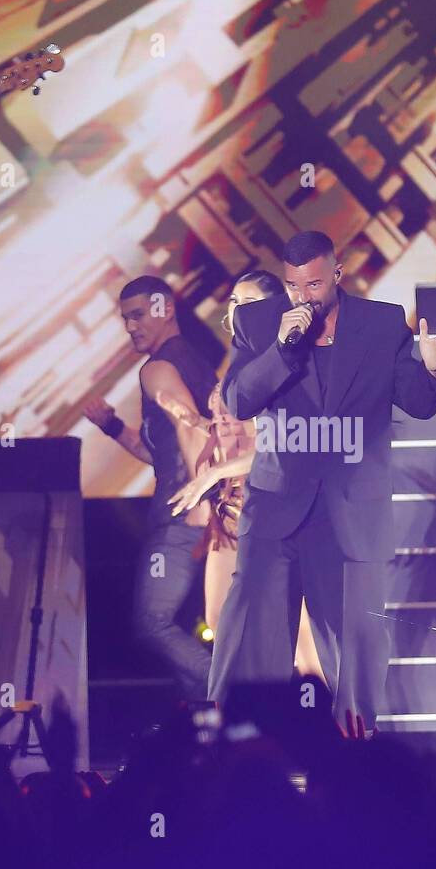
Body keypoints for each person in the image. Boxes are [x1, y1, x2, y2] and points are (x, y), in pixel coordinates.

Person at [206, 231, 436, 737]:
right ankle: (235, 754)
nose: (303, 297)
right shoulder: (257, 322)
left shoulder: (381, 324)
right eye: (294, 286)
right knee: (249, 638)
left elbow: (418, 403)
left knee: (354, 648)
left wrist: (430, 368)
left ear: (336, 276)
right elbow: (238, 400)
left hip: (349, 514)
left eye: (314, 285)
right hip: (275, 511)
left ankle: (354, 766)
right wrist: (280, 348)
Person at [166, 270, 324, 683]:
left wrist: (216, 471)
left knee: (303, 630)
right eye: (233, 300)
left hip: (275, 506)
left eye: (246, 301)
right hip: (232, 508)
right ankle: (261, 720)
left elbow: (282, 449)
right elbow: (233, 431)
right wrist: (202, 434)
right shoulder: (242, 361)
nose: (234, 309)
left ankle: (329, 730)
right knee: (221, 621)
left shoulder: (288, 364)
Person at [83, 276, 216, 700]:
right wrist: (112, 426)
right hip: (200, 514)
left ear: (165, 308)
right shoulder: (195, 363)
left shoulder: (158, 369)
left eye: (138, 315)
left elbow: (191, 427)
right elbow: (163, 454)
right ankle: (207, 724)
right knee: (176, 625)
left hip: (182, 518)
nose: (131, 327)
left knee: (152, 623)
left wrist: (200, 498)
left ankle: (228, 688)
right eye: (126, 319)